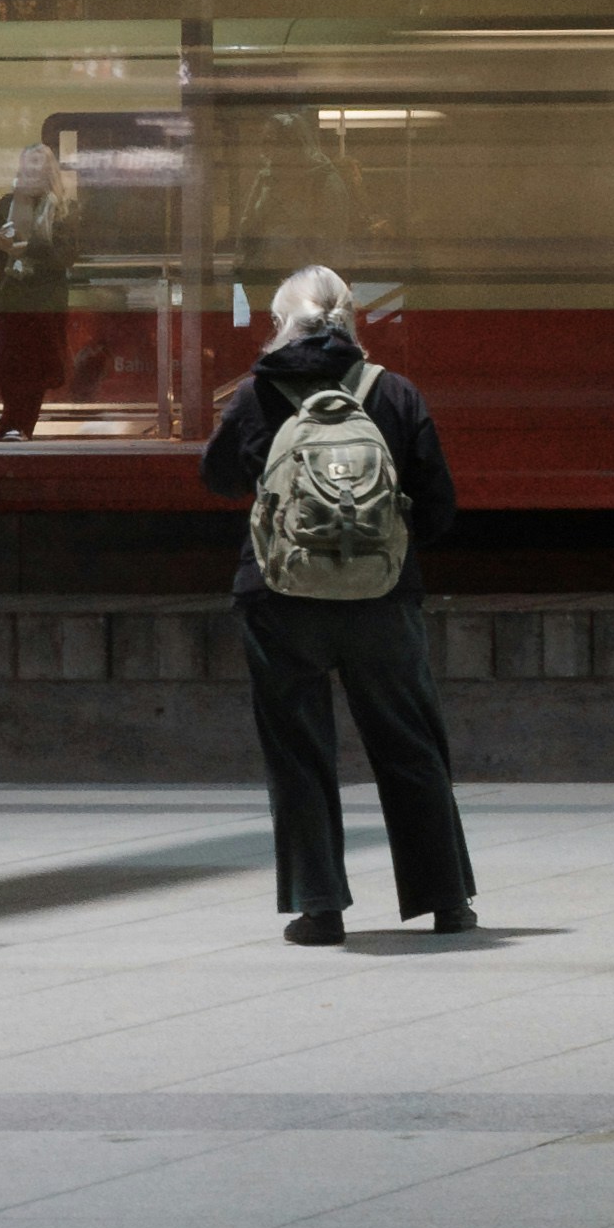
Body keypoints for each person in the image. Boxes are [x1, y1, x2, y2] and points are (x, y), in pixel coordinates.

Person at [205, 263, 476, 947]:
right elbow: (439, 511)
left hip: (280, 599)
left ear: (280, 322)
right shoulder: (395, 393)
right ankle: (445, 901)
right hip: (383, 600)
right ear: (353, 319)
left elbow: (216, 478)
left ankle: (319, 907)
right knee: (410, 745)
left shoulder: (256, 393)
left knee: (298, 751)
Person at [0, 143, 84, 440]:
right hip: (12, 297)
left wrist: (30, 248)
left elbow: (66, 255)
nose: (31, 170)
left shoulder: (65, 207)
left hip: (44, 300)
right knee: (10, 368)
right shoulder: (6, 204)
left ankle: (17, 426)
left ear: (49, 169)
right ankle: (12, 425)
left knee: (35, 370)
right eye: (27, 164)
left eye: (37, 164)